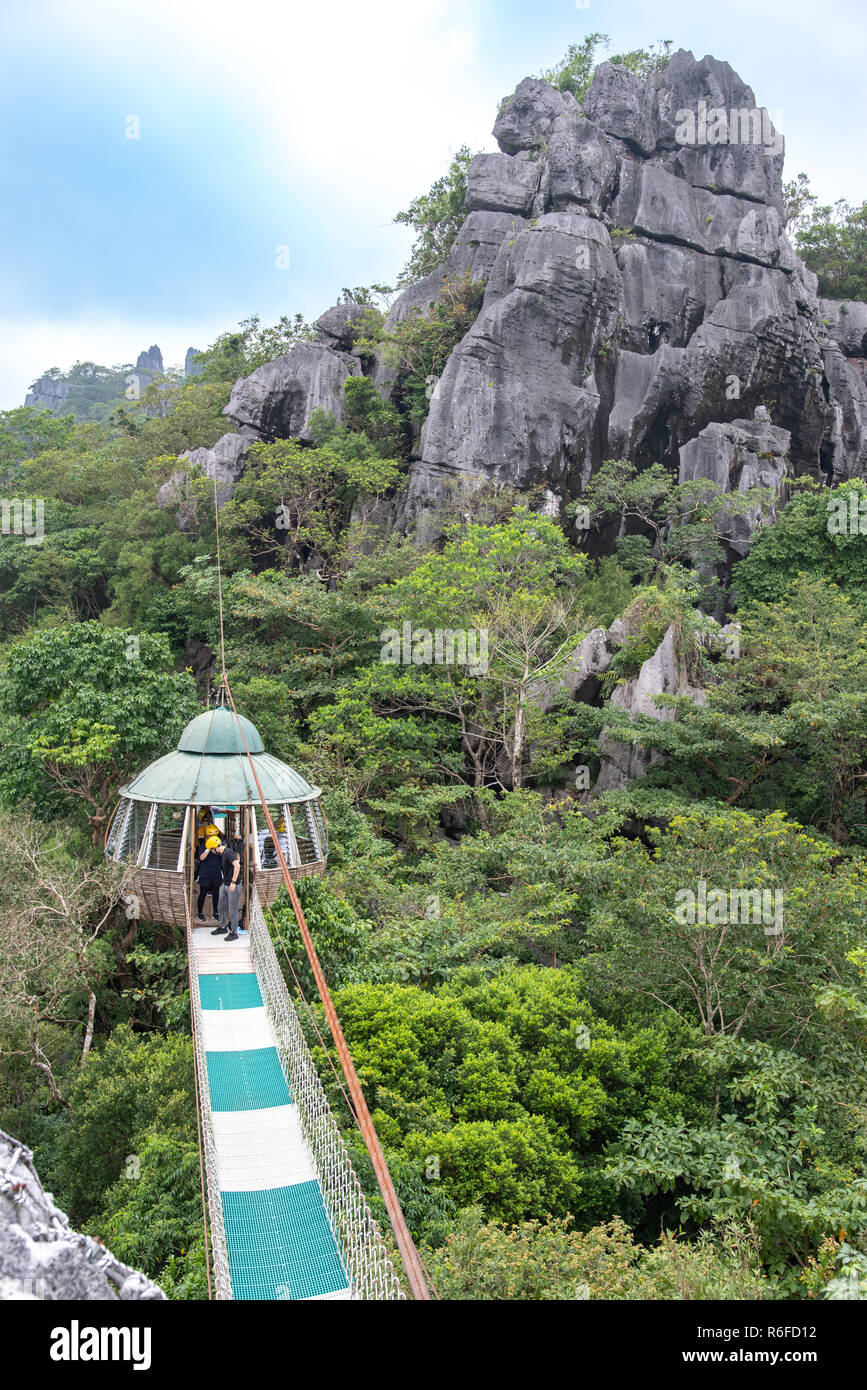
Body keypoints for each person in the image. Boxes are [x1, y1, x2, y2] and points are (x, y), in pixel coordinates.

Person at [211, 835, 243, 941]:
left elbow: (237, 865)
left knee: (232, 908)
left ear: (214, 848)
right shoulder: (222, 854)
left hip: (232, 885)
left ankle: (234, 932)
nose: (212, 852)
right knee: (221, 905)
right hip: (225, 883)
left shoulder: (228, 852)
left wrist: (233, 882)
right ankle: (222, 926)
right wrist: (224, 882)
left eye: (212, 850)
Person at [195, 835, 222, 923]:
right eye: (209, 835)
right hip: (205, 874)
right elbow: (201, 858)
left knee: (216, 894)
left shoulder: (219, 844)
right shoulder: (203, 845)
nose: (211, 837)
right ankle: (200, 913)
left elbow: (222, 854)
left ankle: (215, 913)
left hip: (216, 873)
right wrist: (208, 848)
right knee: (202, 893)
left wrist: (215, 848)